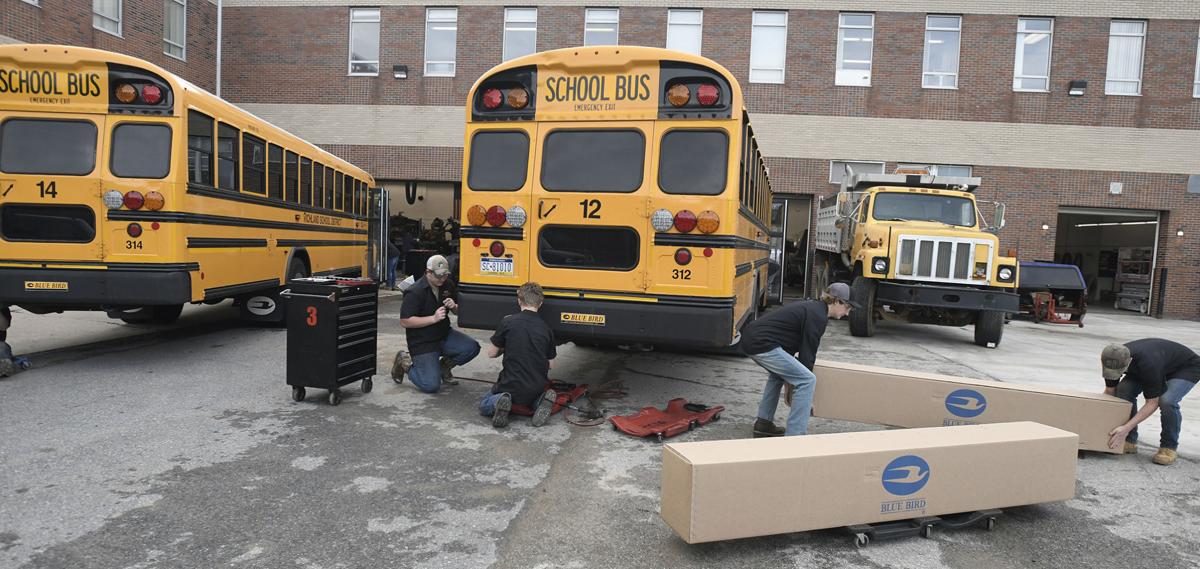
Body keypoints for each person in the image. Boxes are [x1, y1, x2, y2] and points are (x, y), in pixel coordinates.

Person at [740, 282, 859, 437]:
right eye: (848, 308)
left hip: (754, 339)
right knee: (807, 380)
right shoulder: (818, 316)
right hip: (761, 343)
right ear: (837, 301)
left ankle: (763, 423)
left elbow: (789, 342)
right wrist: (805, 397)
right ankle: (795, 436)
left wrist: (791, 381)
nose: (848, 313)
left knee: (777, 376)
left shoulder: (813, 308)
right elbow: (807, 356)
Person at [1101, 339, 1200, 465]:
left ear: (1128, 362)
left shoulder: (1149, 363)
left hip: (1186, 367)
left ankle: (1168, 447)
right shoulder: (1112, 356)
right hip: (1155, 363)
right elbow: (1110, 391)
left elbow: (1152, 403)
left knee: (1167, 401)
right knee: (1123, 390)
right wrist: (1100, 418)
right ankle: (1129, 441)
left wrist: (1125, 428)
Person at [393, 254, 481, 393]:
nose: (442, 279)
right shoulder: (415, 291)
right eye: (438, 276)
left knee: (472, 347)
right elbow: (405, 321)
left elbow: (459, 312)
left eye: (445, 275)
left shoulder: (448, 285)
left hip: (444, 335)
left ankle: (443, 368)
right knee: (431, 386)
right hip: (423, 342)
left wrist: (454, 307)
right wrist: (432, 319)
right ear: (428, 272)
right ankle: (405, 363)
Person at [478, 282, 558, 428]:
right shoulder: (547, 329)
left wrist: (506, 347)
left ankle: (500, 400)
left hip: (509, 385)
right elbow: (551, 365)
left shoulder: (508, 322)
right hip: (536, 387)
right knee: (531, 398)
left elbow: (491, 353)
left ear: (519, 300)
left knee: (484, 405)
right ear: (540, 303)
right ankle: (540, 402)